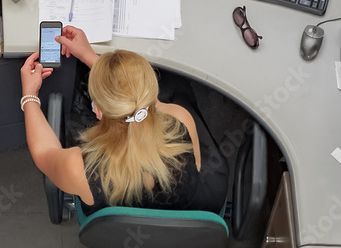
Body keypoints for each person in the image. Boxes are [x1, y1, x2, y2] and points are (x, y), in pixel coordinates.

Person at [20, 26, 228, 216]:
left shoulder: (80, 169)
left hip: (116, 236)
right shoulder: (180, 119)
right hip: (187, 223)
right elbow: (143, 102)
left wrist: (30, 95)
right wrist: (90, 56)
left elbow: (43, 152)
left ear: (98, 111)